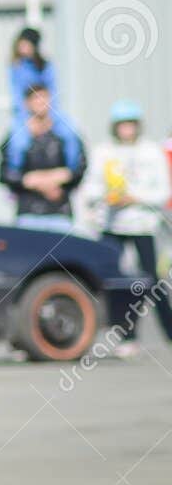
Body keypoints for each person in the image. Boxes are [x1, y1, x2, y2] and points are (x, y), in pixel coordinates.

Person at [81, 100, 172, 356]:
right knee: (115, 282)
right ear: (115, 127)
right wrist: (106, 196)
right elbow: (90, 187)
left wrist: (135, 197)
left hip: (142, 225)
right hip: (112, 225)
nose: (126, 129)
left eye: (131, 124)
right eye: (122, 125)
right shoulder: (104, 151)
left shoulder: (151, 152)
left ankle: (170, 331)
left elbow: (164, 192)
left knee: (152, 280)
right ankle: (125, 335)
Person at [0, 85, 87, 233]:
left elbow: (80, 167)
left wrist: (57, 180)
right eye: (36, 99)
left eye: (44, 98)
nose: (41, 103)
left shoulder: (66, 134)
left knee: (61, 255)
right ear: (27, 103)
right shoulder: (16, 137)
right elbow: (5, 173)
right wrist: (36, 181)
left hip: (60, 213)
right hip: (28, 214)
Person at [8, 26, 58, 126]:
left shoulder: (45, 66)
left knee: (66, 133)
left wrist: (50, 115)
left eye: (27, 44)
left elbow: (53, 91)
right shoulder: (16, 67)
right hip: (25, 115)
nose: (23, 48)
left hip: (46, 113)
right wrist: (26, 118)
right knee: (19, 139)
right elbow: (16, 94)